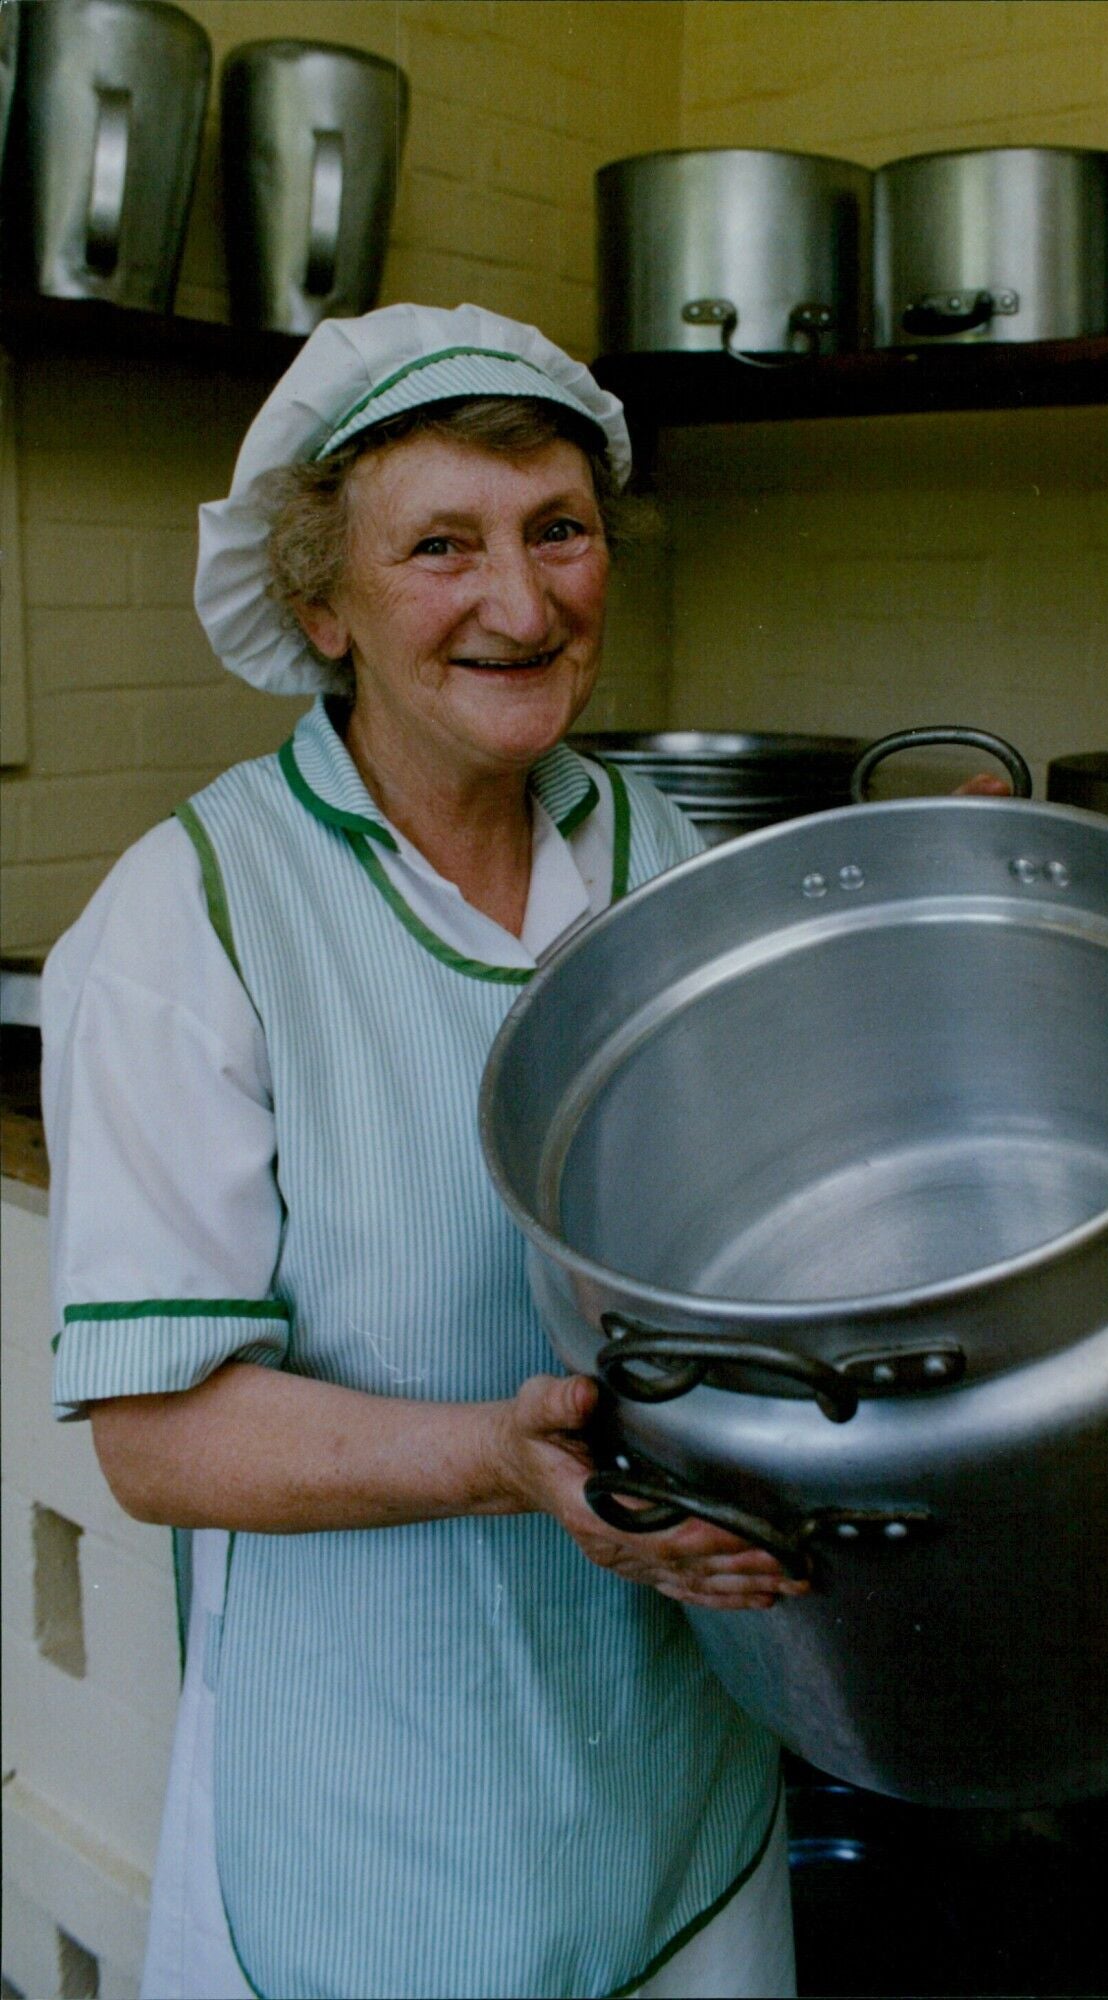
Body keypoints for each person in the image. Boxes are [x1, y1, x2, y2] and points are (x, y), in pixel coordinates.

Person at [42, 303, 805, 2000]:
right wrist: (494, 1456)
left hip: (677, 1780)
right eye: (440, 546)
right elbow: (159, 1445)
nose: (522, 605)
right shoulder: (198, 917)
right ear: (323, 604)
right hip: (372, 1827)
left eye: (559, 532)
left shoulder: (651, 848)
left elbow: (760, 1209)